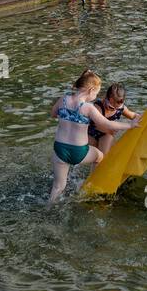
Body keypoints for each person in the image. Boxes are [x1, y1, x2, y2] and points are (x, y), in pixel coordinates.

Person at [48, 70, 135, 203]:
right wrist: (130, 125)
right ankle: (89, 186)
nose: (96, 96)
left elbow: (53, 114)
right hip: (79, 152)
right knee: (99, 156)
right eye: (96, 93)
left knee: (58, 186)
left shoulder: (63, 99)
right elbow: (107, 124)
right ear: (91, 89)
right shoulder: (88, 108)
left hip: (59, 150)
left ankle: (49, 207)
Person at [87, 83, 142, 156]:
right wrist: (113, 129)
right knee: (93, 153)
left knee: (105, 154)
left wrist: (144, 118)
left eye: (117, 108)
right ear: (108, 99)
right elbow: (99, 125)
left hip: (106, 134)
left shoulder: (121, 108)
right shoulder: (98, 107)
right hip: (91, 134)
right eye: (111, 107)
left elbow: (134, 115)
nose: (114, 109)